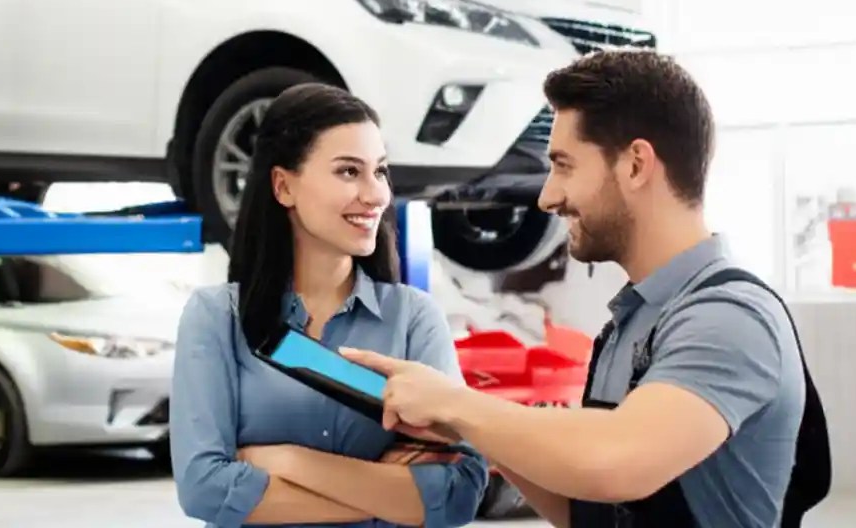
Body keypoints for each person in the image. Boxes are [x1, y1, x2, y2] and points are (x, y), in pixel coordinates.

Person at [341, 51, 830, 528]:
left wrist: (454, 402)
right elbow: (590, 510)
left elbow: (616, 463)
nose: (547, 196)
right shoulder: (633, 321)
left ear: (635, 165)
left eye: (564, 165)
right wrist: (465, 428)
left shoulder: (728, 316)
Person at [169, 83, 489, 528]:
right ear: (283, 186)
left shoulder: (413, 318)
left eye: (380, 171)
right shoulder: (218, 318)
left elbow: (459, 491)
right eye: (348, 171)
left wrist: (290, 461)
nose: (375, 195)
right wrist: (400, 496)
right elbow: (204, 488)